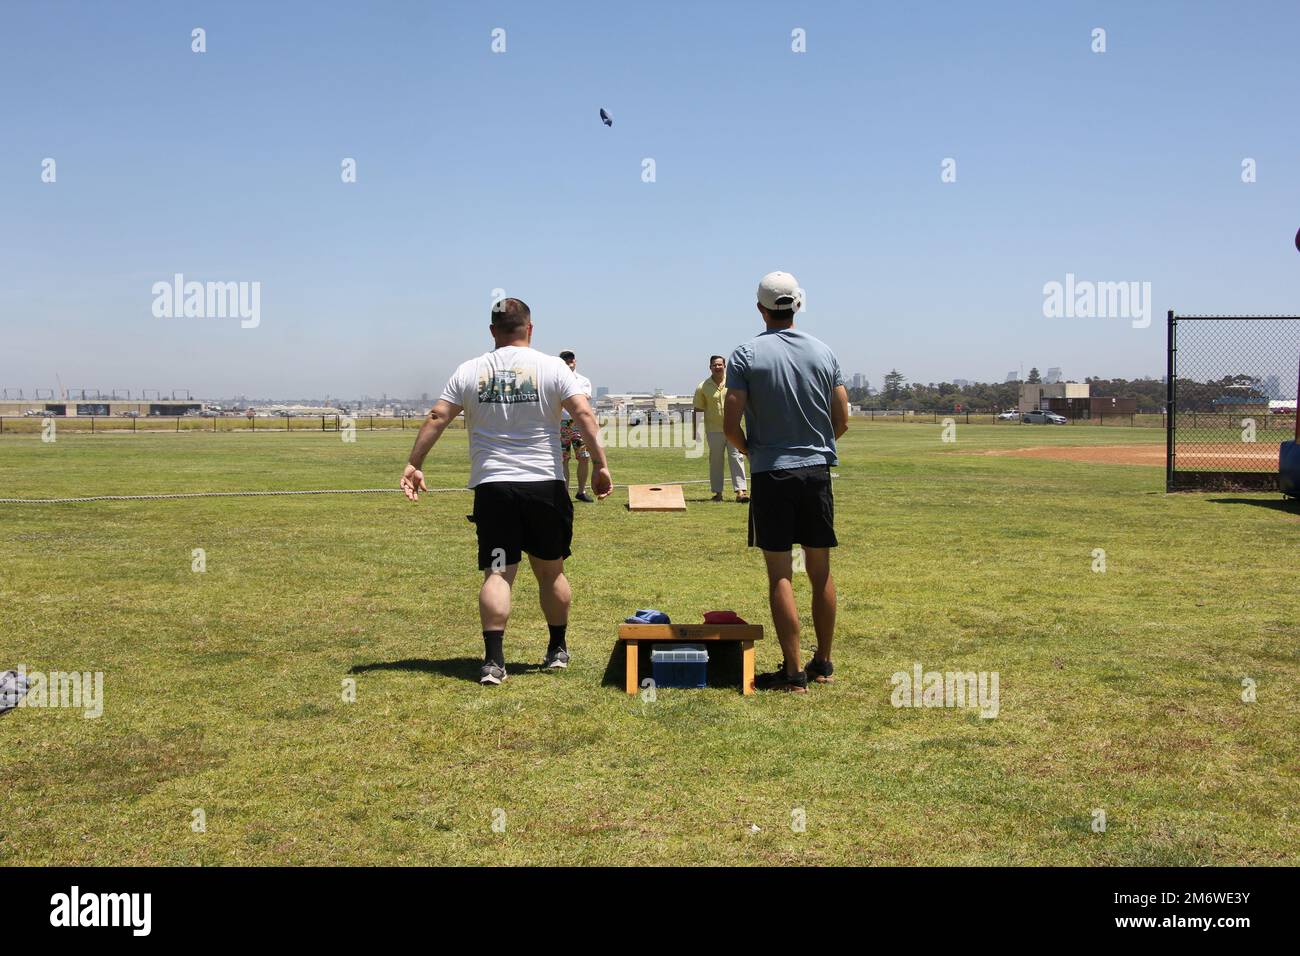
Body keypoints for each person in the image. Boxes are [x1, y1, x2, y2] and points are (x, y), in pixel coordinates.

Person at [401, 299, 612, 685]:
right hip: (545, 486)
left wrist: (415, 463)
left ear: (492, 331)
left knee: (497, 573)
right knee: (551, 572)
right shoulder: (552, 367)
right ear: (530, 329)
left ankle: (494, 662)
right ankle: (557, 649)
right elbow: (583, 414)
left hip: (494, 487)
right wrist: (600, 464)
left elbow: (437, 416)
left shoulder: (470, 370)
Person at [723, 272, 849, 692]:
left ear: (761, 308)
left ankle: (794, 672)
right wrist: (816, 444)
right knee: (821, 572)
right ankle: (824, 663)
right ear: (797, 305)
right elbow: (842, 418)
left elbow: (730, 423)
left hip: (770, 473)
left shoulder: (745, 354)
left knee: (780, 574)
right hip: (816, 472)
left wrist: (753, 451)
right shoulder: (824, 352)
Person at [692, 355, 749, 502]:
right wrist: (695, 430)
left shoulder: (734, 383)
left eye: (720, 365)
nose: (717, 367)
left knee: (737, 458)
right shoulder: (702, 387)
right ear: (710, 367)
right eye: (714, 365)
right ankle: (718, 493)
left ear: (725, 366)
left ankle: (741, 492)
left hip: (734, 428)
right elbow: (698, 409)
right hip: (714, 430)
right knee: (716, 461)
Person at [558, 350, 595, 502]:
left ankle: (581, 491)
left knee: (584, 457)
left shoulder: (583, 380)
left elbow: (584, 397)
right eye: (565, 360)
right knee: (563, 459)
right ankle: (564, 493)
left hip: (578, 424)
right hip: (560, 423)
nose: (569, 362)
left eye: (571, 359)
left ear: (575, 361)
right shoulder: (555, 380)